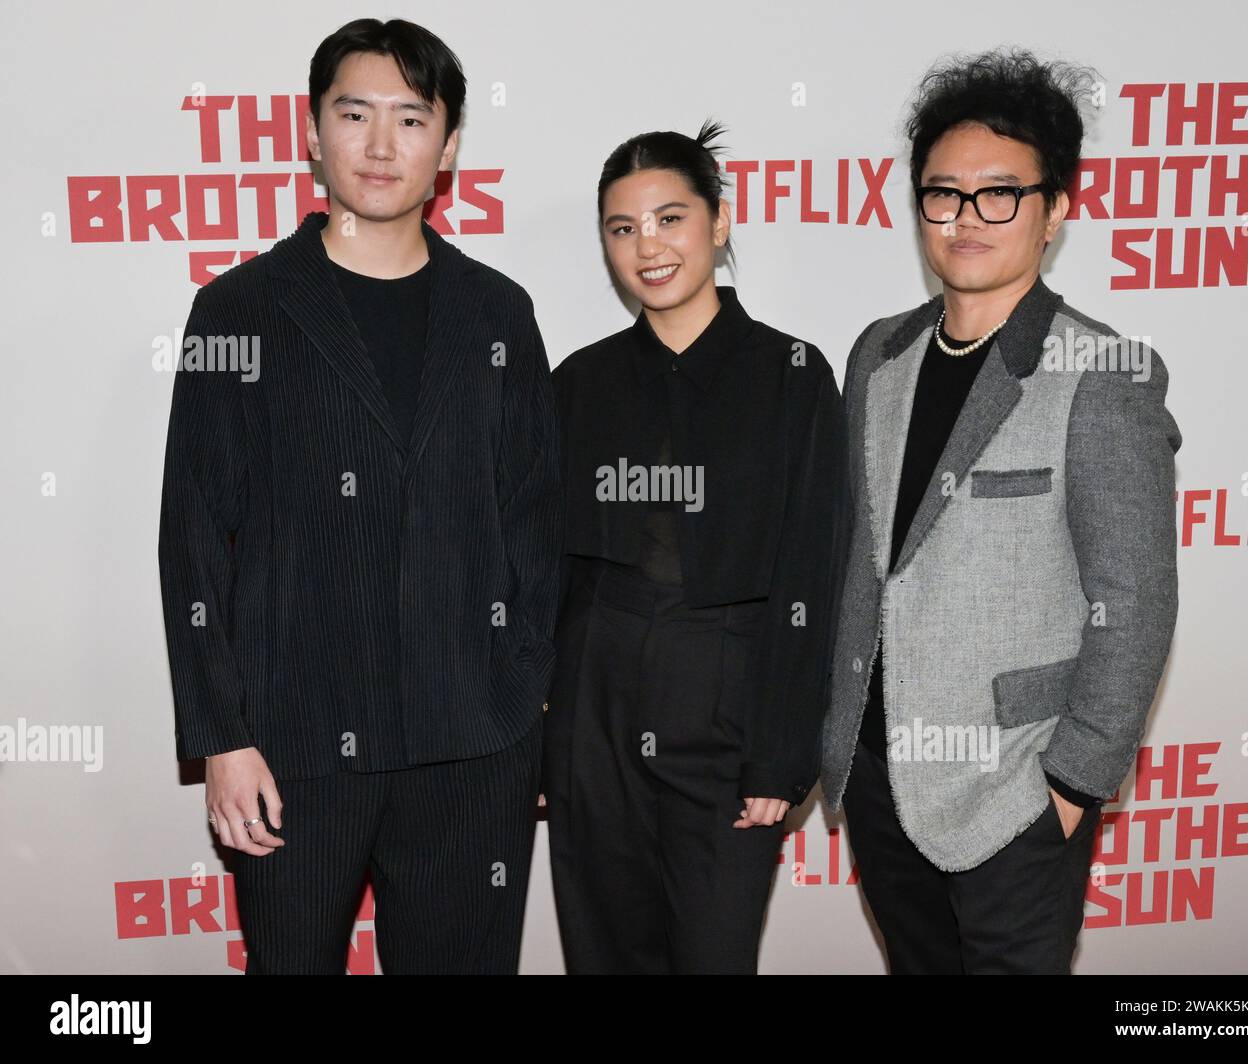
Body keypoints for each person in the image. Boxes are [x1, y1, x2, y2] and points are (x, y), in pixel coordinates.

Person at [157, 18, 561, 974]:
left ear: (449, 145)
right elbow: (192, 536)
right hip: (292, 746)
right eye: (355, 113)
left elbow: (537, 526)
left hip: (470, 745)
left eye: (411, 119)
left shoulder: (499, 312)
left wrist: (523, 704)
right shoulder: (240, 309)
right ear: (311, 130)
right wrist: (222, 737)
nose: (382, 147)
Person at [821, 48, 1181, 974]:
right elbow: (867, 557)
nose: (967, 218)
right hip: (878, 775)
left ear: (1055, 210)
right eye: (944, 195)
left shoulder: (1101, 374)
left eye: (1000, 194)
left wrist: (1069, 785)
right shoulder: (878, 354)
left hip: (1015, 790)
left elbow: (1134, 602)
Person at [542, 121, 846, 974]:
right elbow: (543, 573)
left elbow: (813, 573)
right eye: (623, 228)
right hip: (593, 712)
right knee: (605, 955)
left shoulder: (793, 376)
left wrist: (784, 755)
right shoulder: (578, 384)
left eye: (670, 218)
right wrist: (542, 733)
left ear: (719, 221)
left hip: (729, 708)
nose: (649, 247)